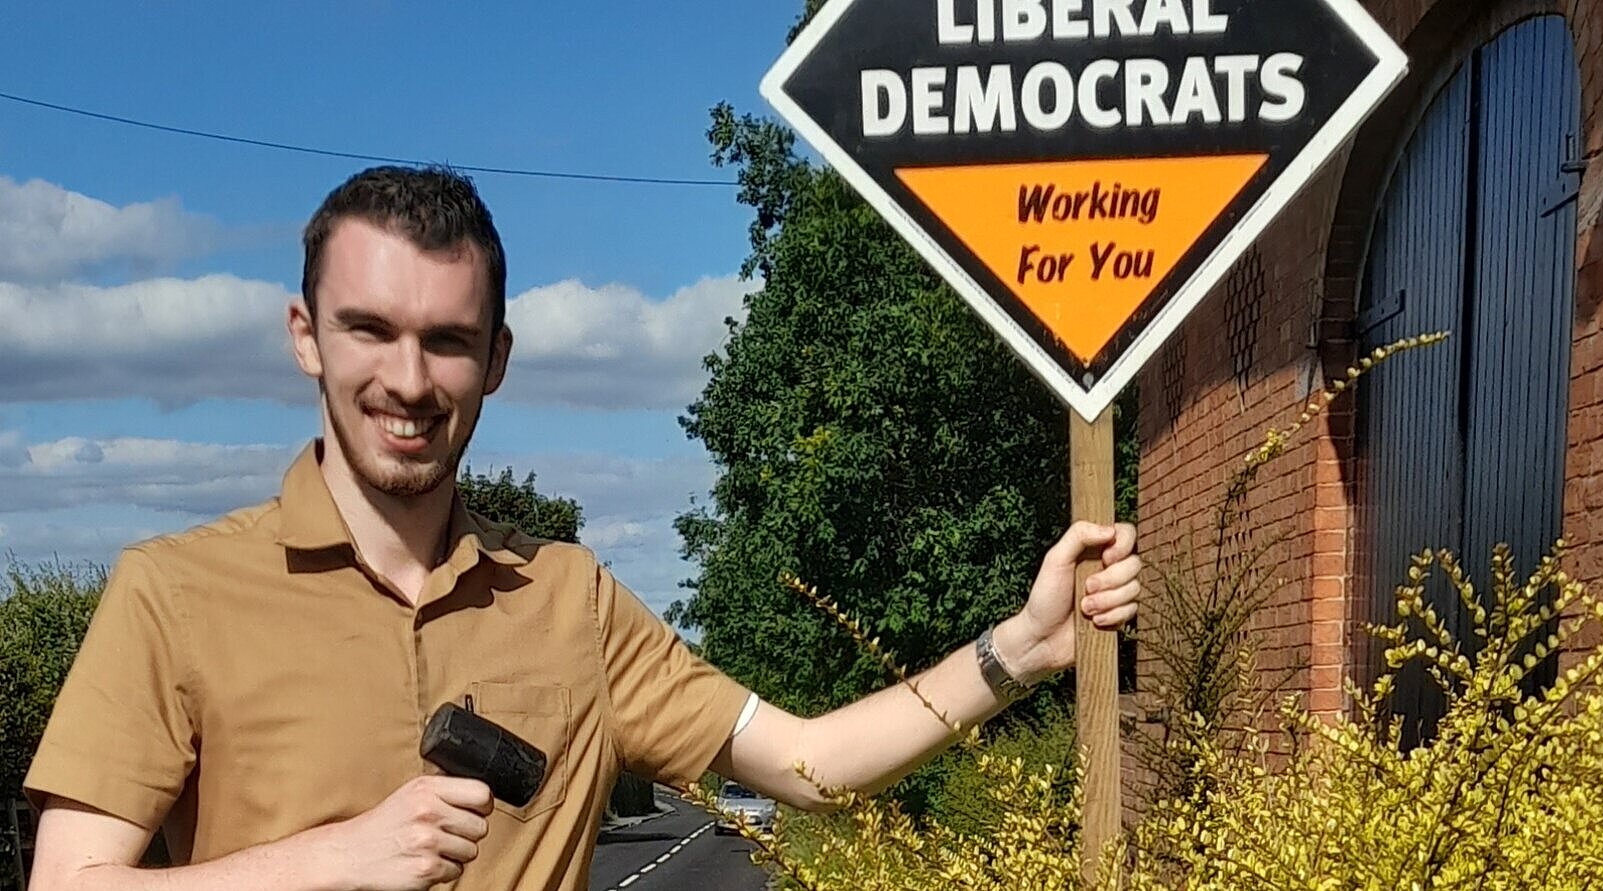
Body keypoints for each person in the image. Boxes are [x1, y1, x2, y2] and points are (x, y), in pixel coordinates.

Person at [23, 166, 1143, 891]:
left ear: (496, 360)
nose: (408, 379)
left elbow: (809, 765)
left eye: (448, 341)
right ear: (305, 336)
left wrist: (1022, 648)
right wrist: (339, 858)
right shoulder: (173, 592)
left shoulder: (569, 598)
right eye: (369, 329)